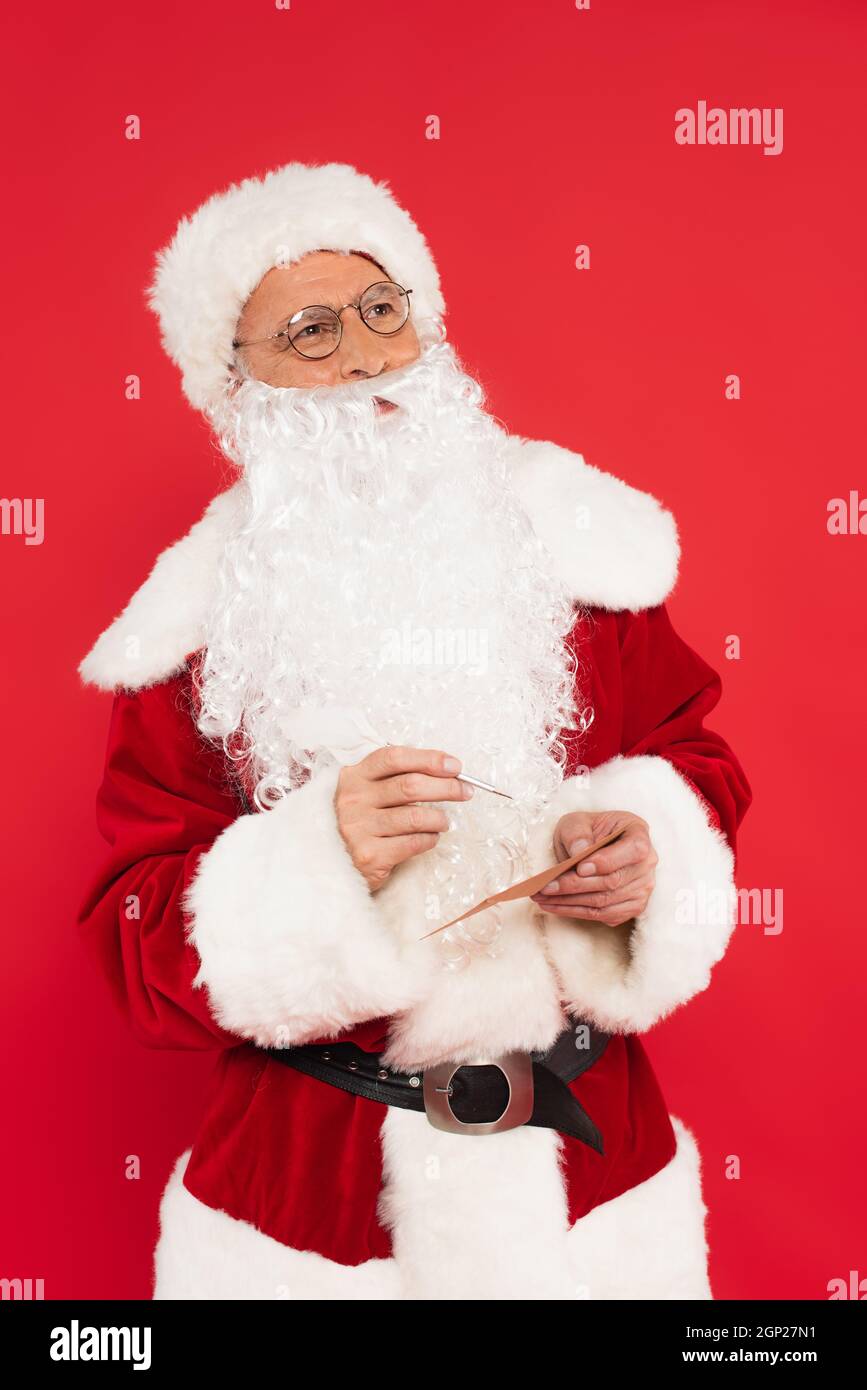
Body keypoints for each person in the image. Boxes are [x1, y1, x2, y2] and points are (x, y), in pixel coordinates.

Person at [77, 160, 752, 1300]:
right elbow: (133, 936)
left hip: (586, 1188)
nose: (363, 355)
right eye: (310, 328)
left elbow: (698, 762)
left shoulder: (577, 545)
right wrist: (315, 865)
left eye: (382, 310)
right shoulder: (191, 636)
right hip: (319, 1212)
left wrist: (647, 851)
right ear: (239, 389)